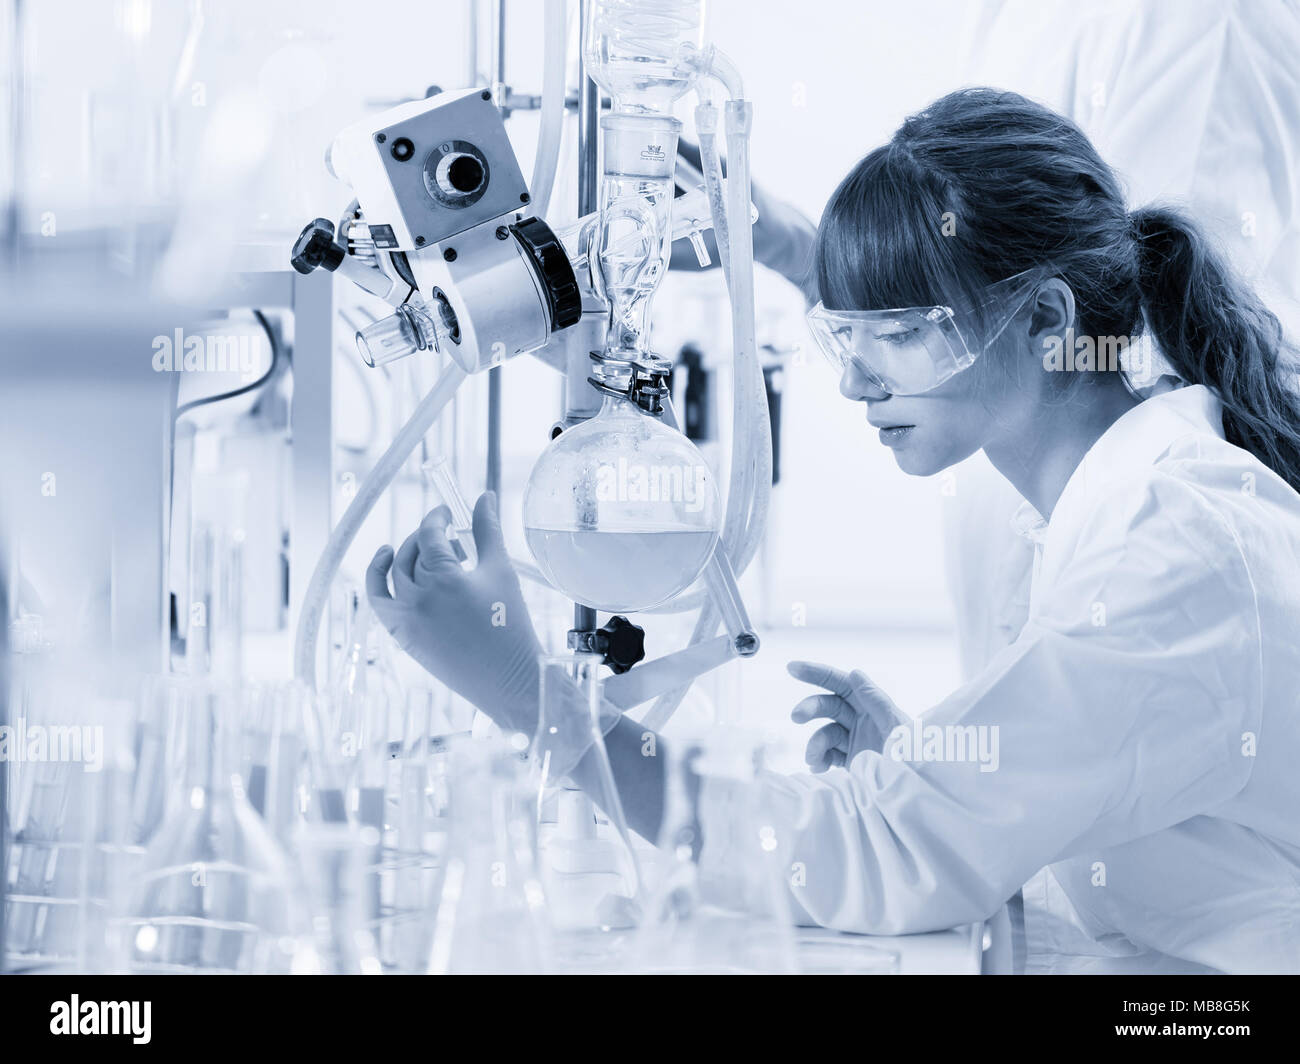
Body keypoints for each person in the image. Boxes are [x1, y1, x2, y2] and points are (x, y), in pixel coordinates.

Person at [367, 89, 1300, 974]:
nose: (856, 384)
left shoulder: (1168, 549)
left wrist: (533, 700)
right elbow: (1105, 803)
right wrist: (935, 771)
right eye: (847, 338)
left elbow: (872, 850)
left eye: (897, 332)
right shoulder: (1134, 504)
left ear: (1049, 321)